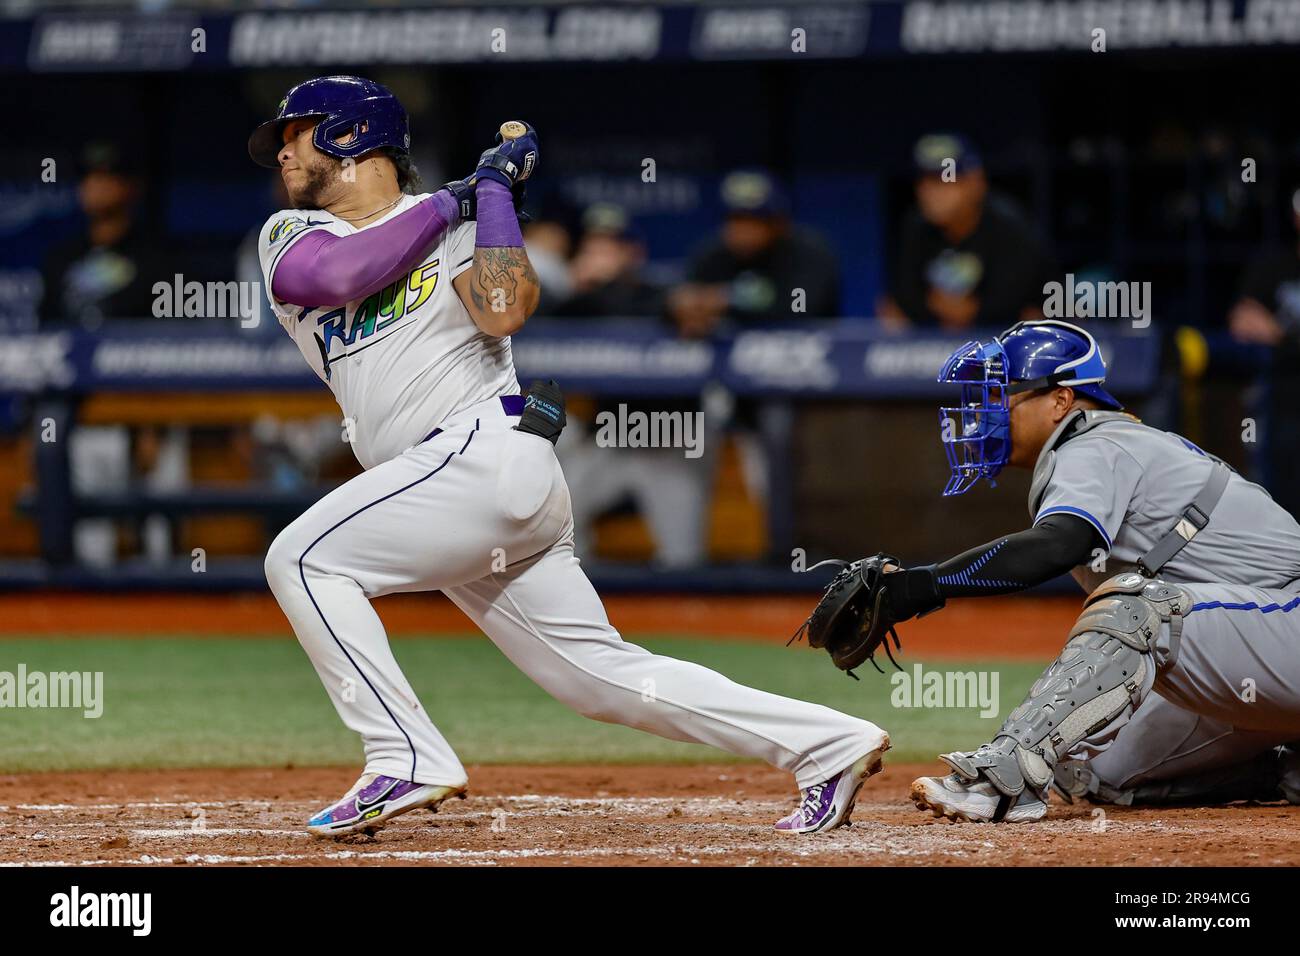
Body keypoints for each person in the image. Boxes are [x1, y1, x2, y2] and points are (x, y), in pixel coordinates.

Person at [249, 75, 887, 838]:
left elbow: (505, 307)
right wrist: (465, 192)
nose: (282, 150)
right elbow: (338, 277)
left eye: (298, 132)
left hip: (483, 451)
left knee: (303, 560)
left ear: (352, 136)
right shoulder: (290, 236)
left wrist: (491, 197)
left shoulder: (454, 223)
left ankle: (403, 753)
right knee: (595, 678)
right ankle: (828, 743)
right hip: (453, 482)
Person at [796, 319, 1300, 822]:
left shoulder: (1094, 443)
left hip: (1288, 621)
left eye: (1001, 397)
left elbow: (1059, 545)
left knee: (1139, 610)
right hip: (1264, 654)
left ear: (1061, 401)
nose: (984, 414)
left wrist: (919, 587)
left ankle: (1001, 775)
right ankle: (1285, 763)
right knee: (1097, 771)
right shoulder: (1099, 448)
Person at [881, 134, 1056, 331]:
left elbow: (1018, 306)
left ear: (975, 182)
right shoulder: (915, 227)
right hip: (935, 349)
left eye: (945, 179)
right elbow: (904, 301)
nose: (930, 191)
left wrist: (964, 310)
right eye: (925, 180)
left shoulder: (1009, 227)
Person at [668, 170, 839, 337]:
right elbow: (676, 300)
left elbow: (800, 310)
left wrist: (727, 302)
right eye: (734, 219)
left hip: (805, 355)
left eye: (752, 220)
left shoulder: (807, 254)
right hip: (731, 360)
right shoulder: (712, 255)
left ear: (778, 224)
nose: (741, 230)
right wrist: (681, 308)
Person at [1228, 187, 1300, 518]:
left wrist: (1279, 334)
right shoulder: (1274, 266)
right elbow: (1242, 322)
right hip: (1280, 396)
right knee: (1273, 493)